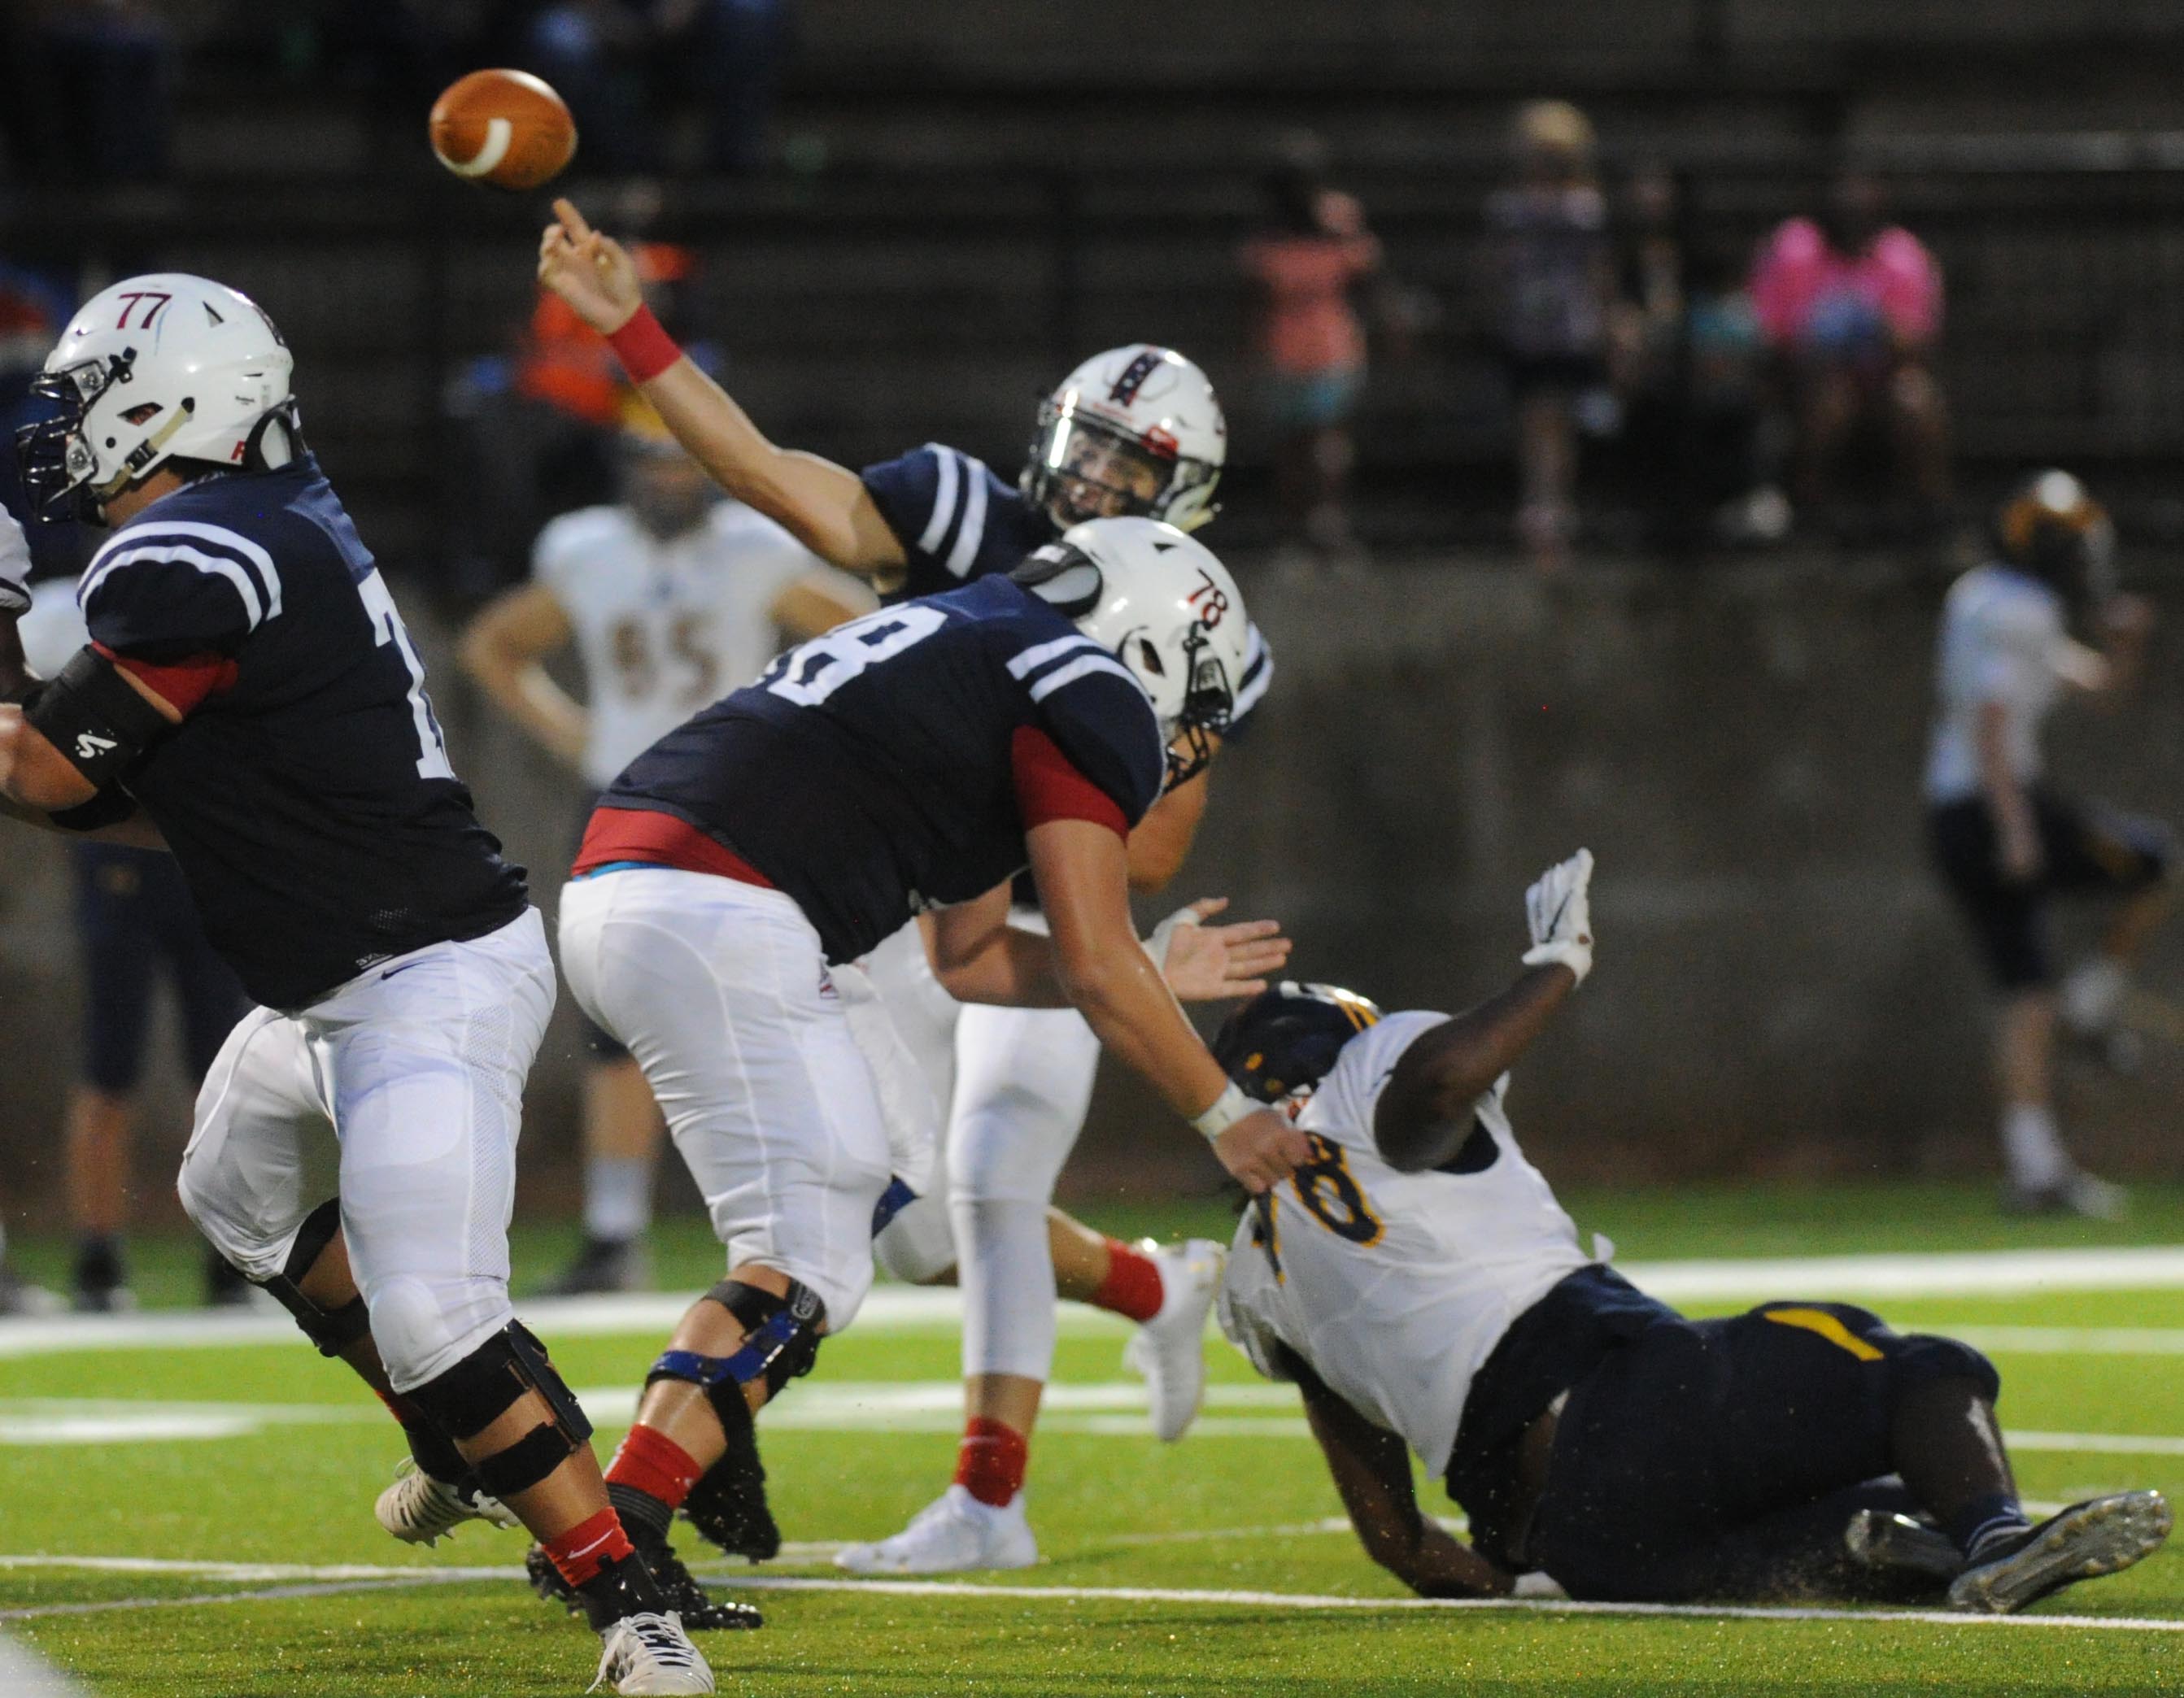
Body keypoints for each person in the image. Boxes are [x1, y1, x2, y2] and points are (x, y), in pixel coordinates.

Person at [537, 197, 1276, 1576]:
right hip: (857, 893)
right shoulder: (967, 514)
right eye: (1094, 448)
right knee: (909, 1224)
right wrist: (630, 327)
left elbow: (1146, 851)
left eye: (1138, 465)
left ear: (1185, 499)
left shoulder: (1178, 618)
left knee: (980, 1176)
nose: (1101, 484)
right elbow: (763, 472)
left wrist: (1067, 856)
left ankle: (984, 1500)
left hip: (1034, 906)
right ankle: (1154, 1281)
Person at [0, 273, 711, 1694]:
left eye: (87, 400)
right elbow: (106, 799)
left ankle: (634, 1606)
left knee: (438, 1313)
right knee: (230, 1192)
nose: (67, 431)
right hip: (337, 979)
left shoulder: (196, 548)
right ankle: (458, 1438)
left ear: (167, 401)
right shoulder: (251, 526)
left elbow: (43, 769)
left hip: (423, 975)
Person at [1214, 853, 2173, 1612]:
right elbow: (1427, 1091)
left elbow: (1394, 1539)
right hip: (1619, 1402)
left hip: (1576, 1542)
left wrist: (1521, 1588)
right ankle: (2001, 1538)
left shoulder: (1259, 1282)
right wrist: (1556, 967)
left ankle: (1913, 1548)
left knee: (1845, 1530)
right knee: (1921, 1366)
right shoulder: (1368, 1072)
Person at [461, 401, 870, 1295]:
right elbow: (494, 644)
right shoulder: (586, 549)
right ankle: (616, 1231)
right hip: (623, 799)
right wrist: (577, 736)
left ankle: (819, 1207)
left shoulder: (756, 548)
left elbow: (863, 636)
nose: (668, 480)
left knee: (773, 1003)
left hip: (735, 805)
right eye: (653, 461)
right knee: (615, 1018)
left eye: (683, 462)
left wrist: (788, 736)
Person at [1924, 471, 2169, 1217]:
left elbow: (2090, 687)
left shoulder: (1984, 599)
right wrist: (2015, 826)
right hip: (1990, 803)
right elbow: (1992, 722)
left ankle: (2035, 1167)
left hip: (1953, 809)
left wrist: (2125, 649)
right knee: (2153, 863)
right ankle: (2093, 1007)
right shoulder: (2019, 609)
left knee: (2025, 997)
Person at [16, 563, 251, 1311]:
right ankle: (97, 1255)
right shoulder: (64, 609)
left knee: (223, 1070)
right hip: (120, 853)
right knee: (109, 1060)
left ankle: (232, 1254)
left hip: (199, 848)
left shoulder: (209, 582)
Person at [1750, 171, 1949, 529]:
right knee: (1831, 400)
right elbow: (1770, 332)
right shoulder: (1794, 246)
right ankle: (1809, 508)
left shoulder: (1901, 253)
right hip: (1807, 381)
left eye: (1862, 195)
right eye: (1843, 195)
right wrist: (1819, 339)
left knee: (1916, 399)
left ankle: (1924, 514)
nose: (1851, 207)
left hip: (1883, 378)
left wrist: (1879, 327)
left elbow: (1919, 339)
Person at [1238, 132, 1384, 565]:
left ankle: (1329, 523)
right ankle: (1296, 529)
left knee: (1326, 436)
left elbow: (1368, 276)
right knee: (1291, 445)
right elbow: (1253, 294)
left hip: (1330, 340)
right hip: (1284, 343)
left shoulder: (1338, 221)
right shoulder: (1267, 236)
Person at [1487, 101, 1615, 577]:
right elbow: (1497, 268)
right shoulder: (1510, 208)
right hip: (1526, 329)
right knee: (1537, 421)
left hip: (1570, 329)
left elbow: (1599, 271)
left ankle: (1551, 512)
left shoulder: (1585, 209)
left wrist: (1605, 322)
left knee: (1559, 421)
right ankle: (1543, 512)